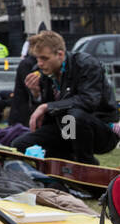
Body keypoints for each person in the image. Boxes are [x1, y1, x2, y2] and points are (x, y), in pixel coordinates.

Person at [12, 30, 119, 164]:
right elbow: (44, 118)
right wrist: (36, 95)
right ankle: (64, 166)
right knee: (21, 144)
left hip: (100, 129)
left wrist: (47, 106)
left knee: (74, 116)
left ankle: (86, 163)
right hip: (66, 130)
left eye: (44, 58)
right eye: (37, 58)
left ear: (60, 54)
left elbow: (89, 100)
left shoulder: (86, 64)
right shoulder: (43, 73)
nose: (39, 63)